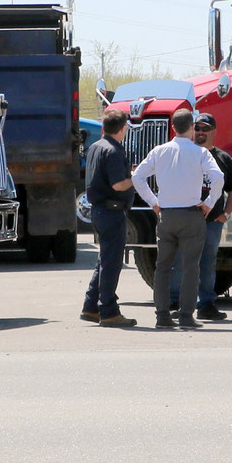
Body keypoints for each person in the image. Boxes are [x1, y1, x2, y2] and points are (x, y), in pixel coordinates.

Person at [132, 109, 224, 330]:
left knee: (163, 267)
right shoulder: (200, 153)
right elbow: (218, 177)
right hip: (192, 215)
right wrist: (209, 203)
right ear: (192, 128)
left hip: (166, 215)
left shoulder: (159, 150)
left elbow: (137, 176)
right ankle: (185, 316)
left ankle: (162, 316)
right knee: (191, 267)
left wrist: (153, 202)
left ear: (173, 127)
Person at [168, 113, 232, 320]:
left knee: (207, 262)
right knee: (180, 261)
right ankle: (176, 303)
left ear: (214, 132)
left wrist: (226, 214)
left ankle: (206, 305)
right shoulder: (183, 153)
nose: (201, 133)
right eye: (198, 129)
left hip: (211, 222)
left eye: (205, 129)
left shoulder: (222, 158)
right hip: (185, 218)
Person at [80, 108, 137, 328]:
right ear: (122, 129)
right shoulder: (114, 151)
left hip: (98, 210)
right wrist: (137, 177)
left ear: (104, 127)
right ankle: (110, 311)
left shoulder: (96, 146)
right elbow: (118, 184)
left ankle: (91, 306)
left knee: (104, 261)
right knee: (112, 264)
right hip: (111, 211)